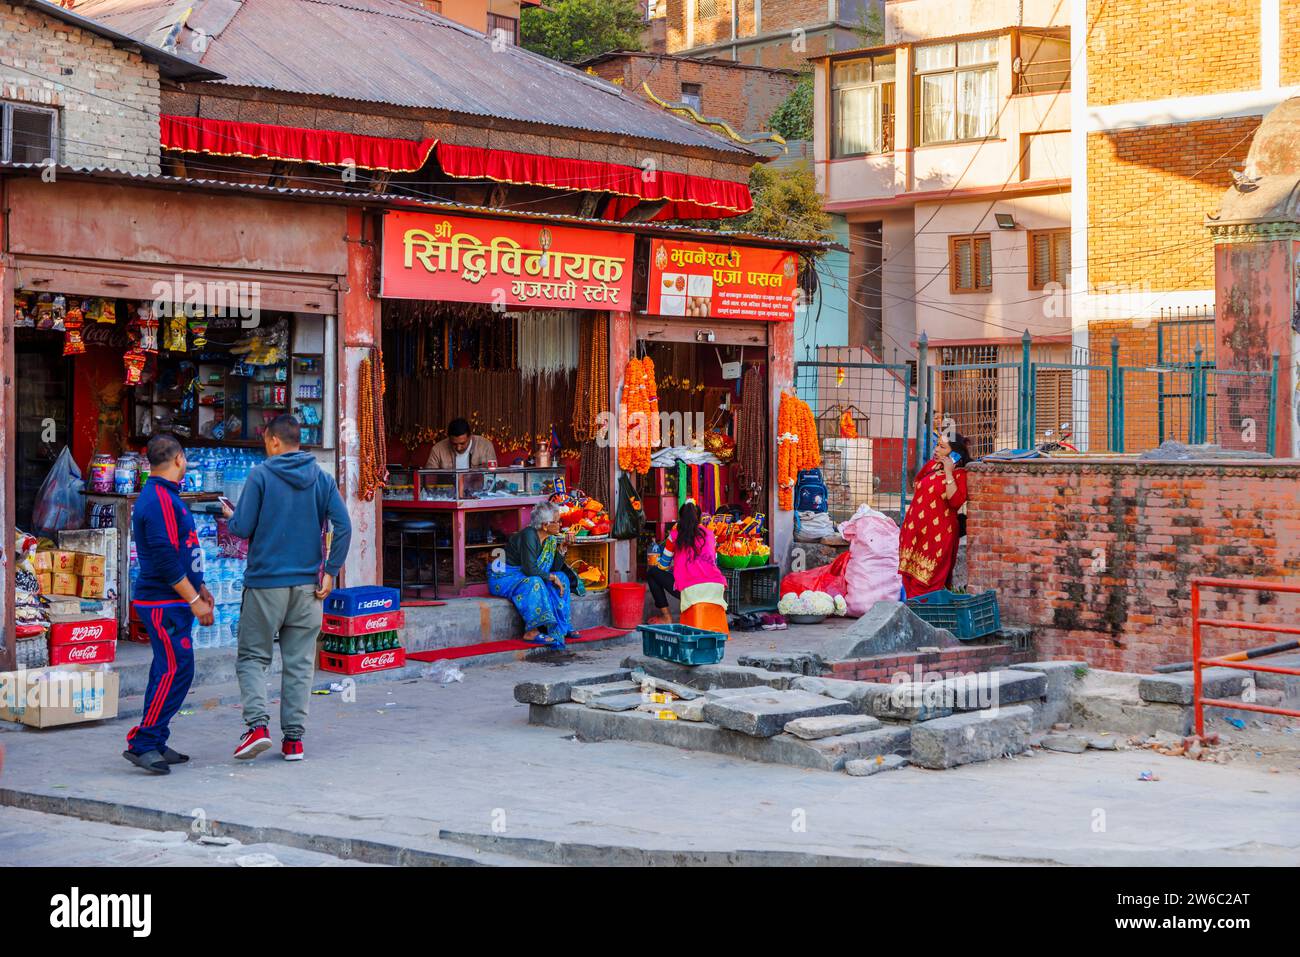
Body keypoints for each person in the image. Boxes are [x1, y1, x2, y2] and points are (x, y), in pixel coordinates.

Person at [224, 414, 352, 762]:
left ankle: (257, 726)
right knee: (299, 663)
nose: (266, 447)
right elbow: (343, 526)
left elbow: (242, 527)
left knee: (252, 657)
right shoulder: (321, 479)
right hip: (309, 589)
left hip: (266, 585)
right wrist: (331, 572)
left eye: (266, 441)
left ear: (275, 441)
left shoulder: (261, 475)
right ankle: (293, 741)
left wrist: (230, 516)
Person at [123, 432, 214, 775]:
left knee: (170, 669)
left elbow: (181, 550)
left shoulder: (164, 496)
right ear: (178, 459)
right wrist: (192, 599)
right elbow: (163, 557)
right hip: (163, 601)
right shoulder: (158, 499)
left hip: (173, 598)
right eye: (185, 459)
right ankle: (144, 742)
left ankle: (156, 738)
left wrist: (200, 586)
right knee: (175, 669)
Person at [489, 502, 585, 648]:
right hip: (504, 576)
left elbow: (553, 568)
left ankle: (562, 626)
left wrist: (563, 548)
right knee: (535, 582)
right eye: (557, 521)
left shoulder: (550, 539)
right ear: (545, 525)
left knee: (563, 577)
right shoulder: (529, 535)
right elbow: (530, 570)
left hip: (524, 574)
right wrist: (552, 578)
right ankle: (532, 632)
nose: (560, 524)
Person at [898, 431, 971, 599]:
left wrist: (948, 472)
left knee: (929, 581)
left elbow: (955, 501)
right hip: (915, 534)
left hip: (938, 536)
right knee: (909, 580)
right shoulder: (931, 465)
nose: (936, 449)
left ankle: (929, 618)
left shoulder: (961, 474)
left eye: (942, 447)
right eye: (937, 445)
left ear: (954, 454)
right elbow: (918, 484)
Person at [647, 501, 728, 634]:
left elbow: (663, 565)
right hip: (716, 587)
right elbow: (714, 561)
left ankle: (667, 617)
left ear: (680, 518)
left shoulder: (674, 535)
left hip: (692, 589)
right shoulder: (709, 534)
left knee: (653, 573)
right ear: (699, 517)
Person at [425, 417, 496, 469]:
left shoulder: (486, 446)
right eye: (454, 444)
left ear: (470, 436)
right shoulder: (437, 449)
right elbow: (429, 477)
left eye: (462, 443)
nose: (458, 448)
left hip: (478, 489)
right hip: (448, 488)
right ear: (449, 438)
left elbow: (493, 474)